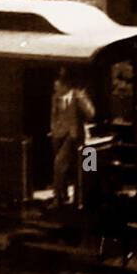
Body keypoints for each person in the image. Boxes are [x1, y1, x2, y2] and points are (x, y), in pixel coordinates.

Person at [51, 68, 95, 208]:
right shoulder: (56, 98)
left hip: (76, 136)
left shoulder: (77, 96)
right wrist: (54, 130)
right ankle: (62, 195)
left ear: (66, 87)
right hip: (59, 135)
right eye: (55, 88)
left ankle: (62, 199)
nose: (56, 90)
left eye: (58, 87)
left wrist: (82, 99)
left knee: (62, 164)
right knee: (61, 166)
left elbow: (91, 114)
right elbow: (54, 116)